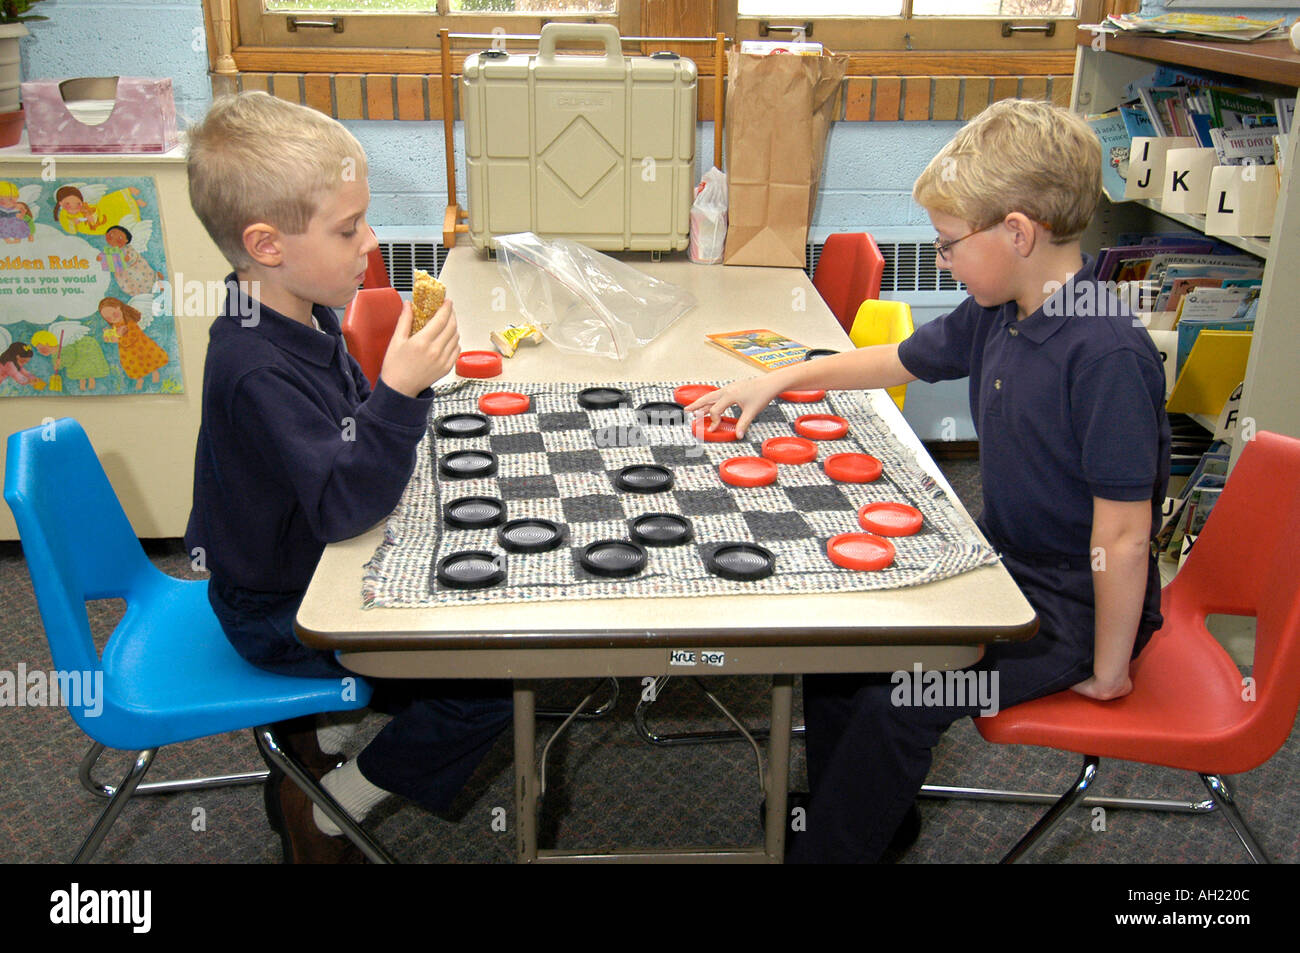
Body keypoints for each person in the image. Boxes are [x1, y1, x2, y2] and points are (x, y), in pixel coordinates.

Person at [688, 99, 1170, 863]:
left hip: (1072, 616)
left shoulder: (1106, 354)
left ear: (1017, 232)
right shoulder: (1001, 306)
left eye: (948, 245)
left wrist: (1109, 669)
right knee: (839, 648)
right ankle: (866, 813)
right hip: (1003, 578)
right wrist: (783, 379)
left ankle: (838, 846)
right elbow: (896, 361)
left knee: (904, 700)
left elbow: (1124, 533)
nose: (940, 260)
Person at [184, 91, 511, 863]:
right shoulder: (255, 364)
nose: (370, 242)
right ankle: (330, 805)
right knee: (496, 683)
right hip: (280, 609)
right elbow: (342, 506)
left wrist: (397, 397)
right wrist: (399, 392)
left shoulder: (297, 311)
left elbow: (346, 431)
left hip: (306, 570)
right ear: (266, 244)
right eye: (347, 228)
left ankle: (319, 733)